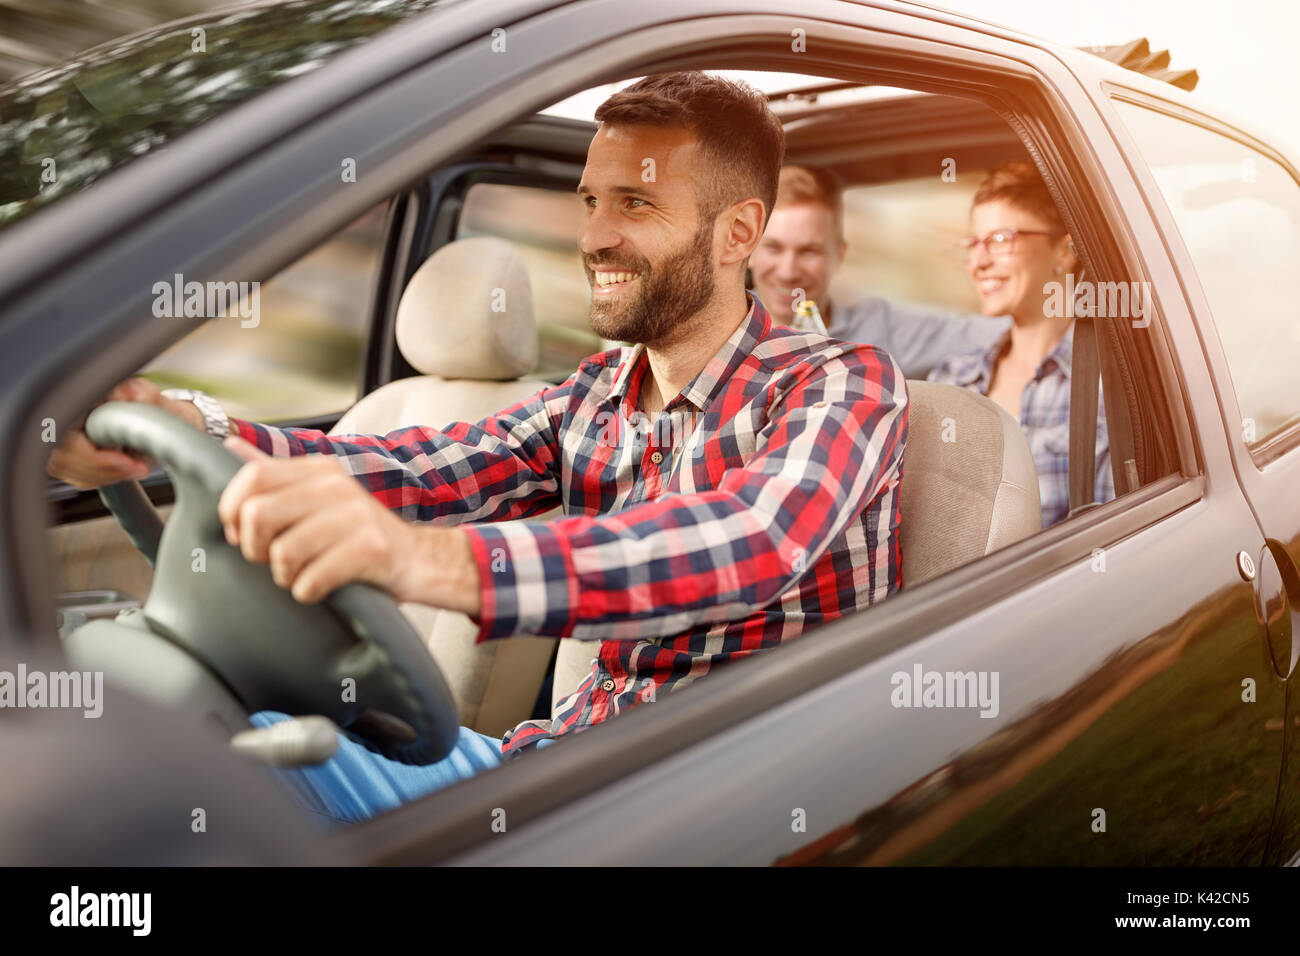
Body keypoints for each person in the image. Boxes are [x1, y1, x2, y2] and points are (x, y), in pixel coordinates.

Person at [48, 72, 908, 825]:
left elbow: (744, 544)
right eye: (590, 201)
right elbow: (418, 470)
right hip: (552, 768)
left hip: (702, 803)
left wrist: (428, 563)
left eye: (635, 204)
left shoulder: (842, 382)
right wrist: (192, 427)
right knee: (207, 742)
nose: (593, 236)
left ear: (736, 232)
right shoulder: (596, 394)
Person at [928, 160, 1112, 528]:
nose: (977, 262)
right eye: (973, 244)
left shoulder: (1108, 388)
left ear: (1064, 252)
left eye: (1000, 240)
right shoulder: (951, 379)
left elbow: (1117, 539)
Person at [749, 165, 1008, 379]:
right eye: (773, 247)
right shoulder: (720, 330)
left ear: (838, 256)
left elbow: (1000, 331)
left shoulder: (880, 327)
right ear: (749, 249)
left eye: (809, 251)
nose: (788, 272)